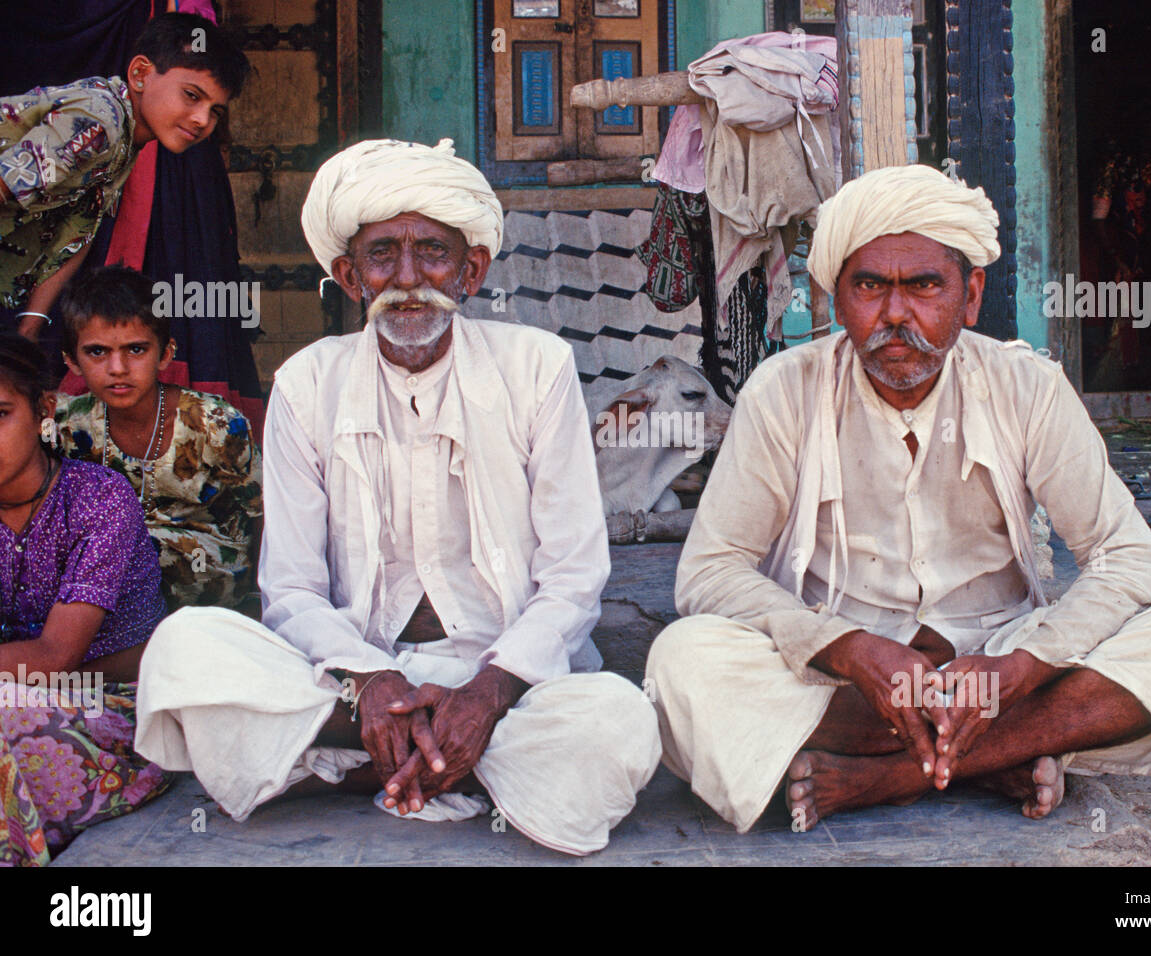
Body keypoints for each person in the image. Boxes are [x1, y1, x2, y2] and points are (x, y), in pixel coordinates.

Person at [645, 164, 1151, 833]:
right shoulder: (783, 392)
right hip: (845, 687)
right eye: (870, 286)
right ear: (835, 299)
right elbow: (710, 571)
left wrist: (1022, 666)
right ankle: (1002, 757)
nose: (896, 314)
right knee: (682, 660)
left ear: (972, 294)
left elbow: (1126, 557)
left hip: (999, 672)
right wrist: (846, 648)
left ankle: (890, 777)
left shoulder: (1027, 387)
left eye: (924, 286)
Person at [134, 139, 661, 856]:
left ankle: (375, 760)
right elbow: (289, 587)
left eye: (433, 253)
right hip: (356, 686)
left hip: (505, 684)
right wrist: (371, 681)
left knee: (619, 722)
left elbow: (573, 576)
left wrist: (487, 693)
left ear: (472, 269)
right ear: (350, 275)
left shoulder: (537, 368)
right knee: (187, 648)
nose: (409, 279)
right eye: (383, 255)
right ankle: (440, 758)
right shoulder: (306, 382)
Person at [0, 333, 170, 866]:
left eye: (0, 413)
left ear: (44, 409)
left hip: (119, 714)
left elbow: (56, 659)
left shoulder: (98, 498)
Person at [0, 12, 250, 341]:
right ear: (140, 74)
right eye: (191, 95)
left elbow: (77, 236)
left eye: (215, 110)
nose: (202, 119)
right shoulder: (102, 122)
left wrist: (29, 329)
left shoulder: (125, 144)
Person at [53, 265, 262, 613]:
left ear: (165, 354)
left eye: (136, 350)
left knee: (127, 553)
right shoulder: (66, 425)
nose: (117, 368)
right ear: (71, 361)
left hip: (205, 571)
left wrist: (264, 600)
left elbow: (262, 512)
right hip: (104, 568)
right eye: (97, 352)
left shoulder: (215, 423)